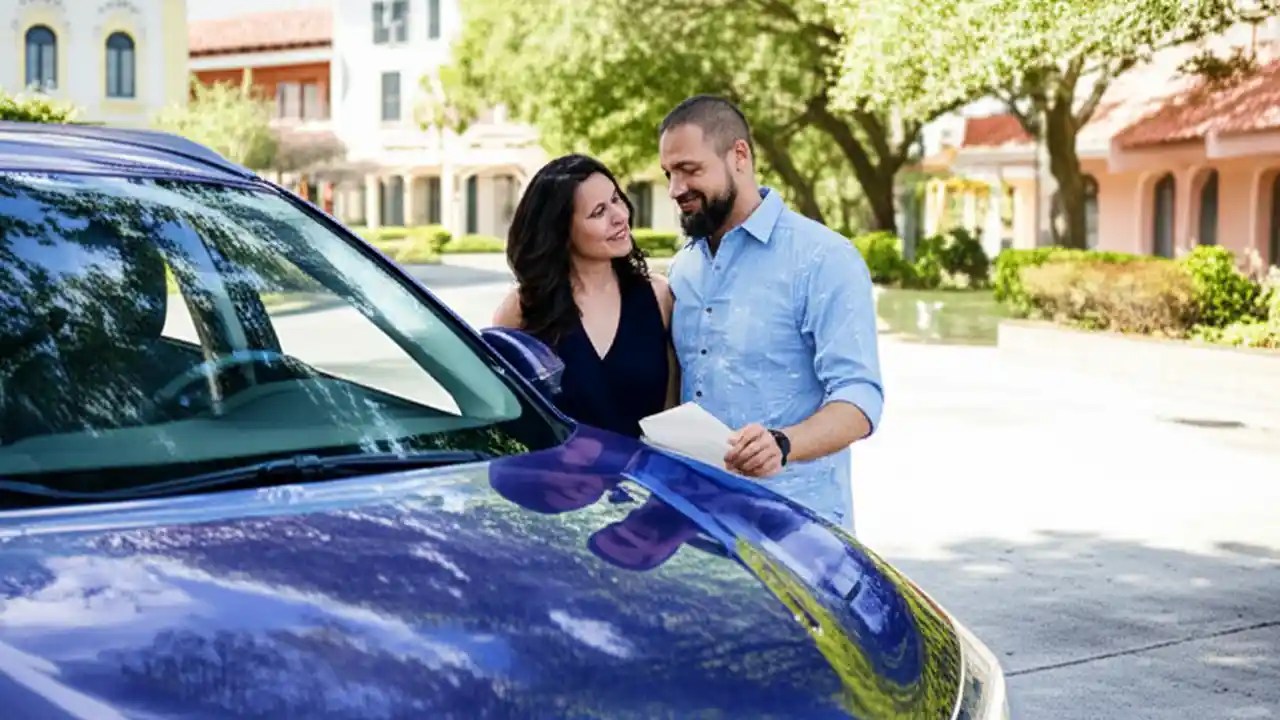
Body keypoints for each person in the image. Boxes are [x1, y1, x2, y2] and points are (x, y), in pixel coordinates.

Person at [658, 95, 884, 534]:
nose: (675, 189)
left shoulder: (823, 258)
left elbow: (861, 399)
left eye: (690, 170)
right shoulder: (684, 267)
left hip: (800, 530)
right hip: (701, 524)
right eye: (669, 174)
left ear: (738, 156)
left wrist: (783, 444)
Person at [493, 153, 679, 438]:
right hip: (556, 480)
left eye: (616, 199)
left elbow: (671, 409)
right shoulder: (522, 309)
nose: (620, 217)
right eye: (598, 212)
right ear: (562, 232)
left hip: (643, 478)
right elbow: (503, 420)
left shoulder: (659, 295)